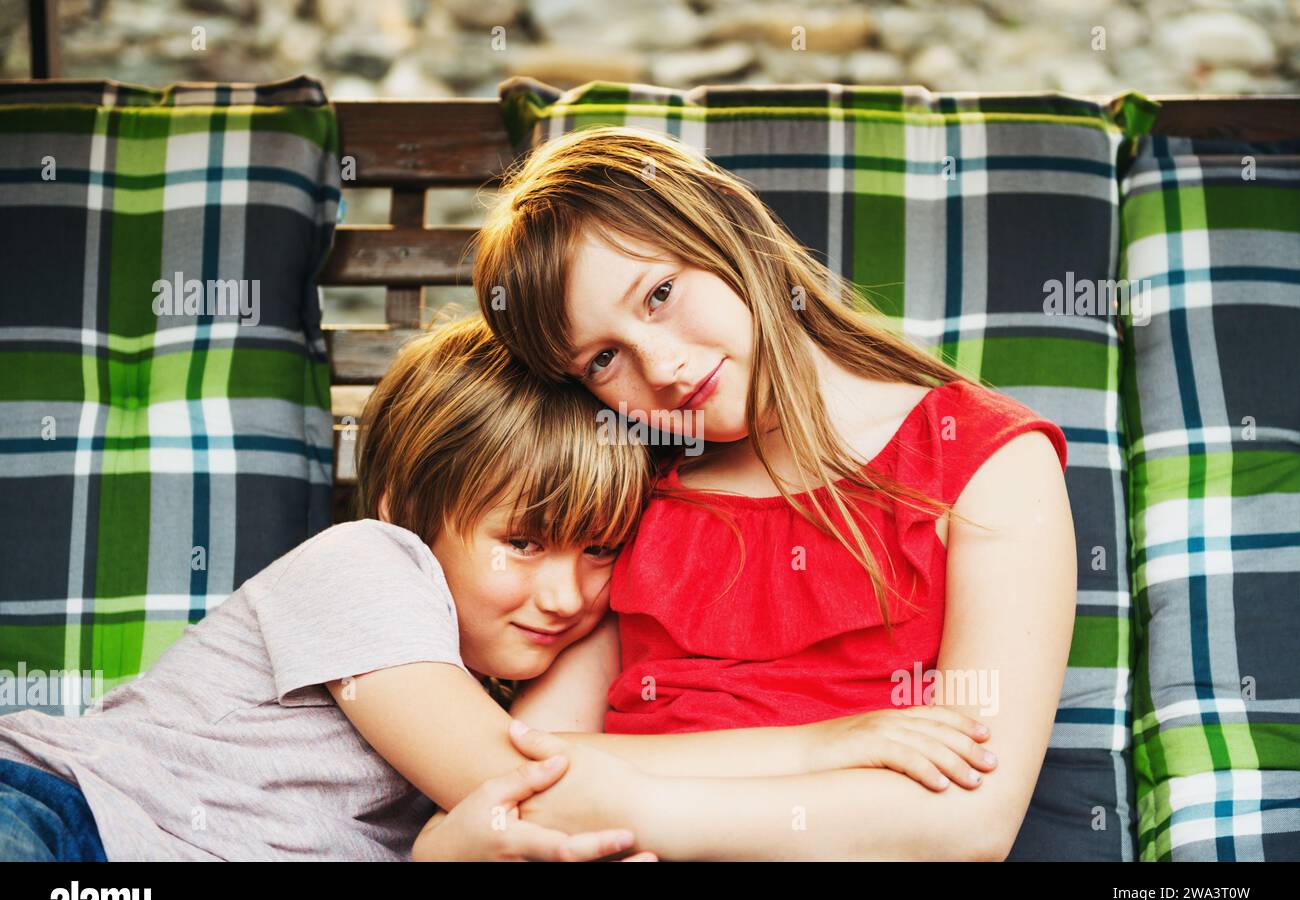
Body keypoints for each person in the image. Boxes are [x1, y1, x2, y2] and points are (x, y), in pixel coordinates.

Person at [0, 314, 988, 862]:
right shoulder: (367, 566)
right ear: (404, 506)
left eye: (600, 551)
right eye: (523, 542)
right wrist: (826, 747)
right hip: (59, 813)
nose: (565, 593)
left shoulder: (481, 688)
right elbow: (531, 781)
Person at [461, 123, 1078, 860]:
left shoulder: (988, 464)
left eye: (659, 293)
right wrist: (819, 752)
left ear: (731, 230)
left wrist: (640, 802)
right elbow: (538, 764)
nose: (660, 365)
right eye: (602, 359)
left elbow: (968, 823)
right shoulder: (630, 490)